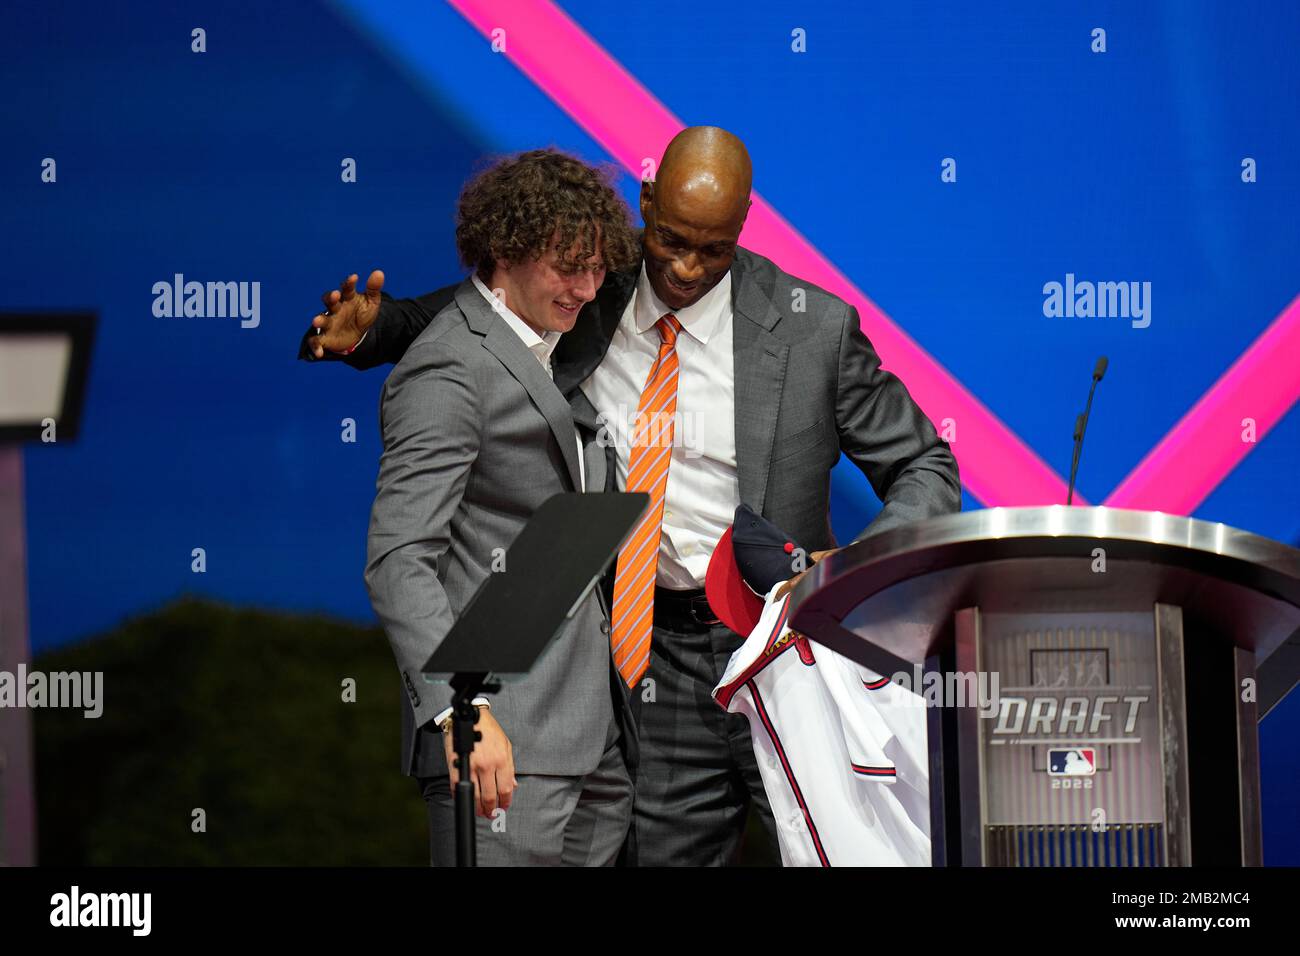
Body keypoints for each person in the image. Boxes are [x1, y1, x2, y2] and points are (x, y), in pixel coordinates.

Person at [304, 126, 961, 866]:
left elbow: (927, 468)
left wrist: (846, 572)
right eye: (671, 239)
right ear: (645, 206)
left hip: (789, 650)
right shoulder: (594, 286)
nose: (684, 268)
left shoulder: (815, 332)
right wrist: (376, 331)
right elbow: (480, 309)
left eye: (711, 250)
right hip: (652, 661)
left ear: (743, 228)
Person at [362, 147, 641, 865]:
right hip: (499, 750)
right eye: (565, 265)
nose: (586, 286)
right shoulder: (448, 365)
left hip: (591, 745)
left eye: (597, 265)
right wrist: (466, 716)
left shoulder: (550, 350)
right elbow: (398, 560)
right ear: (502, 251)